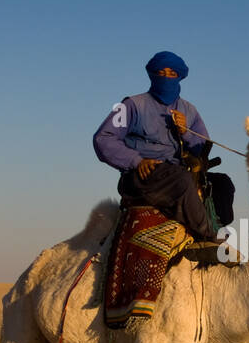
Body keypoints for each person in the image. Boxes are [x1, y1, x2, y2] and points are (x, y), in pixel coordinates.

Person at [92, 50, 221, 242]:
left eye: (172, 74)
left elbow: (202, 149)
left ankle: (212, 230)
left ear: (179, 76)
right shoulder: (131, 105)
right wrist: (136, 161)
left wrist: (185, 131)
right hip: (142, 175)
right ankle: (208, 237)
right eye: (162, 72)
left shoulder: (189, 110)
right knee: (181, 179)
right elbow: (103, 138)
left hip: (176, 173)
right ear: (153, 74)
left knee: (223, 184)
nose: (167, 77)